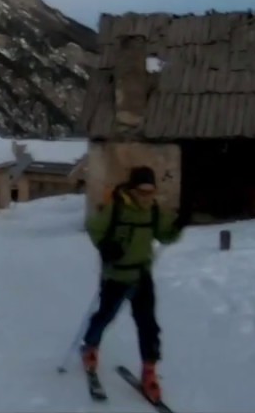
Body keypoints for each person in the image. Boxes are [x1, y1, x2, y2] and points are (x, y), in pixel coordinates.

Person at [80, 165, 191, 402]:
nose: (146, 196)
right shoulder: (117, 207)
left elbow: (165, 235)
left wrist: (179, 225)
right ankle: (90, 347)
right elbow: (94, 227)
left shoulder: (152, 210)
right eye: (142, 191)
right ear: (132, 189)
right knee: (105, 316)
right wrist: (106, 248)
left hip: (141, 275)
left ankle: (149, 371)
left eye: (150, 191)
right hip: (116, 275)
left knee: (148, 325)